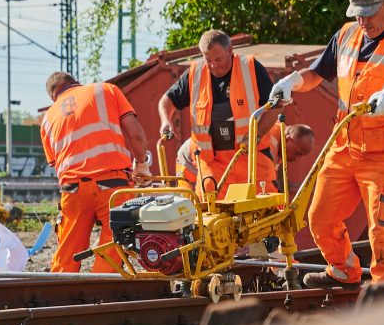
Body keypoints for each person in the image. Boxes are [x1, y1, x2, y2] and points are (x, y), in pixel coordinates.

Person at [265, 0, 384, 285]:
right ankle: (344, 271)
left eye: (370, 13)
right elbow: (317, 74)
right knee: (320, 219)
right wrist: (292, 82)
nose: (363, 20)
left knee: (382, 230)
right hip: (344, 149)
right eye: (358, 14)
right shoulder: (346, 35)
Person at [39, 70, 151, 272]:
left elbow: (58, 164)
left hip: (72, 191)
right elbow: (135, 134)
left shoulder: (47, 119)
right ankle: (100, 286)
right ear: (76, 82)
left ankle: (58, 292)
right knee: (115, 241)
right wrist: (141, 164)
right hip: (112, 186)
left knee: (67, 253)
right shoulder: (106, 90)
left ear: (53, 97)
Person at [159, 30, 280, 193]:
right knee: (211, 216)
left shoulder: (250, 68)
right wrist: (166, 120)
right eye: (208, 60)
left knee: (262, 212)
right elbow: (167, 100)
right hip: (211, 167)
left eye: (218, 59)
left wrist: (256, 135)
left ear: (230, 50)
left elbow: (275, 106)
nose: (214, 65)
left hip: (251, 161)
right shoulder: (195, 75)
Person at [177, 123, 316, 195]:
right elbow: (263, 185)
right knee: (192, 208)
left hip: (211, 158)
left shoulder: (277, 138)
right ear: (288, 139)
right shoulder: (268, 145)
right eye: (297, 153)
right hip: (193, 157)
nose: (297, 159)